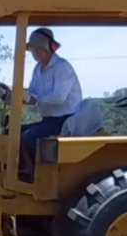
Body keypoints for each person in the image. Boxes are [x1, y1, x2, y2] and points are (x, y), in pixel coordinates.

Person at [18, 27, 82, 175]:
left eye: (38, 49)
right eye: (33, 50)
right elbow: (32, 92)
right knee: (11, 133)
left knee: (28, 139)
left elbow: (58, 98)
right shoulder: (37, 69)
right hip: (48, 120)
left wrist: (33, 99)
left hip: (66, 121)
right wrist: (16, 95)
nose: (35, 54)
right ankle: (20, 172)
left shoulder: (62, 67)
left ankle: (39, 176)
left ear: (48, 48)